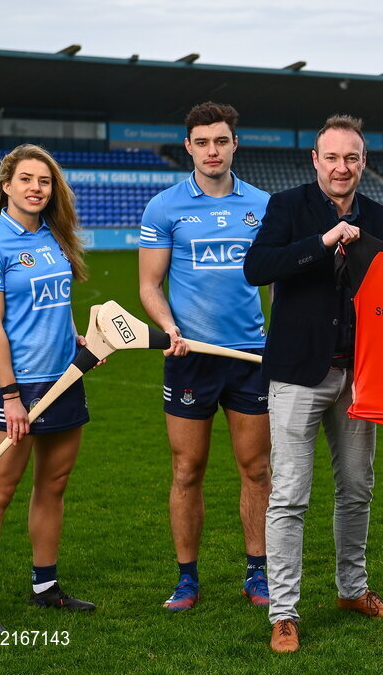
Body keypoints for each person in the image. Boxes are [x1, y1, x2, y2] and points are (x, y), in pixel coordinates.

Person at [243, 114, 383, 654]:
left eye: (351, 158)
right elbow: (257, 268)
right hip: (297, 374)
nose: (341, 167)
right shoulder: (287, 207)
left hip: (359, 376)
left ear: (364, 162)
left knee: (357, 488)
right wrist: (323, 241)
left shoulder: (382, 218)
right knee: (290, 495)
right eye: (331, 157)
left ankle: (352, 590)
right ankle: (284, 613)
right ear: (315, 160)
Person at [139, 102, 272, 612]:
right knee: (186, 470)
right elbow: (150, 286)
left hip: (250, 356)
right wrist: (169, 327)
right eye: (202, 142)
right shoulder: (164, 207)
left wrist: (283, 333)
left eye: (220, 141)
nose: (212, 150)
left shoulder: (263, 205)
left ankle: (258, 573)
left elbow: (278, 280)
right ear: (188, 147)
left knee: (256, 469)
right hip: (190, 355)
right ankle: (187, 579)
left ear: (235, 144)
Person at [0, 144, 95, 634]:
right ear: (6, 185)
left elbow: (55, 304)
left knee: (53, 485)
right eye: (26, 179)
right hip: (15, 387)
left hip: (64, 379)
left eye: (44, 181)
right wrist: (11, 397)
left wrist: (77, 337)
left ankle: (46, 587)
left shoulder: (54, 237)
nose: (36, 188)